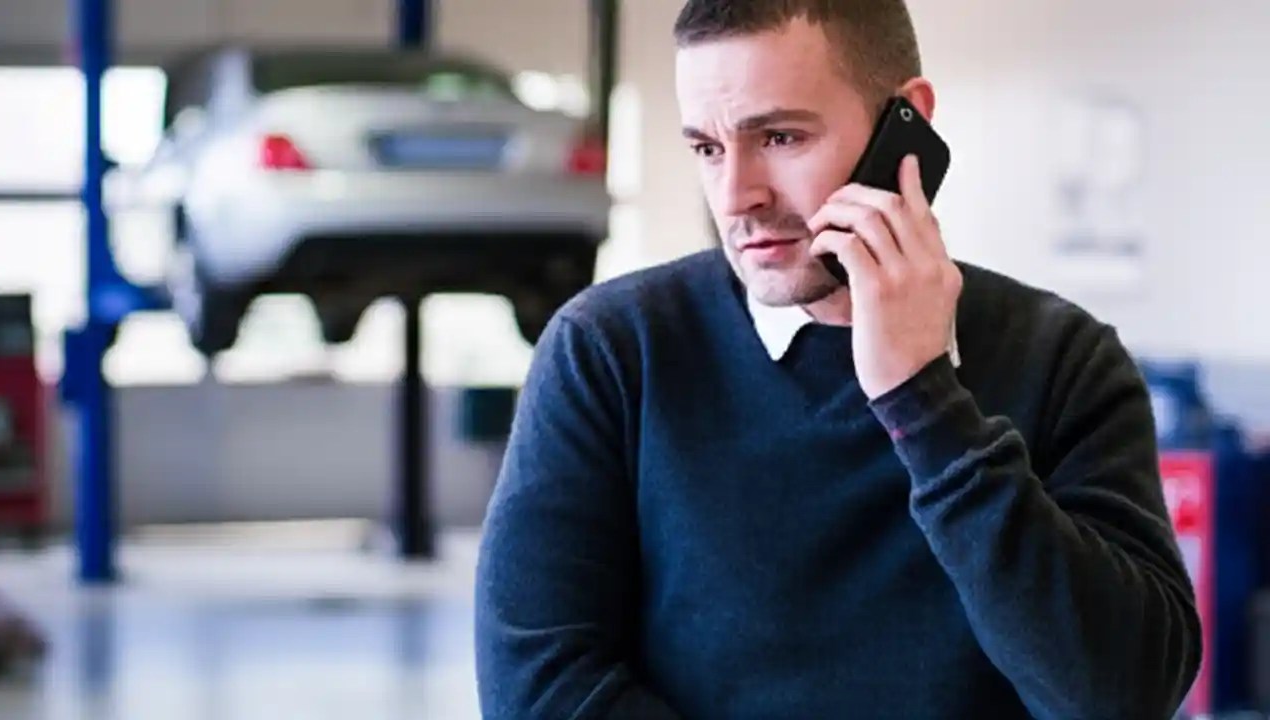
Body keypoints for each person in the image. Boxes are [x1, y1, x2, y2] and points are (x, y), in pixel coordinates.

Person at [474, 1, 1202, 718]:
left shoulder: (1065, 361)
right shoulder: (611, 352)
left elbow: (1122, 696)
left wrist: (924, 400)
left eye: (782, 137)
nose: (737, 196)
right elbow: (539, 690)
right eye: (707, 148)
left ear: (904, 125)